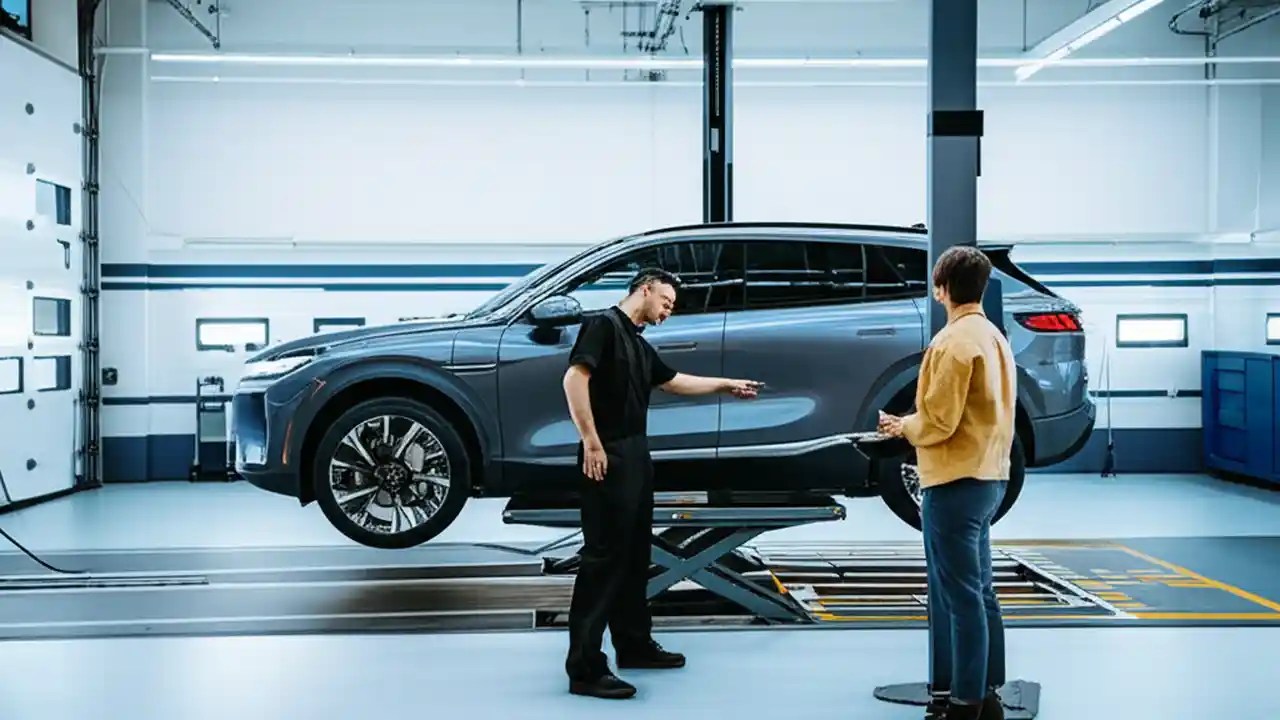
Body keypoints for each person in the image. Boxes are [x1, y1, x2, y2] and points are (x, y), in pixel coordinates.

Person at [561, 267, 763, 700]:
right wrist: (591, 441)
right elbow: (574, 378)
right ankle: (585, 668)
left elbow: (674, 381)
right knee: (604, 560)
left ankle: (634, 645)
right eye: (667, 301)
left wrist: (726, 385)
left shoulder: (637, 342)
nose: (670, 310)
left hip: (636, 456)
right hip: (607, 454)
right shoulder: (601, 326)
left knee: (634, 558)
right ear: (646, 289)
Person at [879, 245, 1016, 720]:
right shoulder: (995, 337)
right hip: (989, 476)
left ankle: (964, 704)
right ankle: (988, 689)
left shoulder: (951, 343)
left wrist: (902, 427)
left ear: (941, 289)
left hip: (954, 481)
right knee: (982, 592)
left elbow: (939, 421)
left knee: (960, 598)